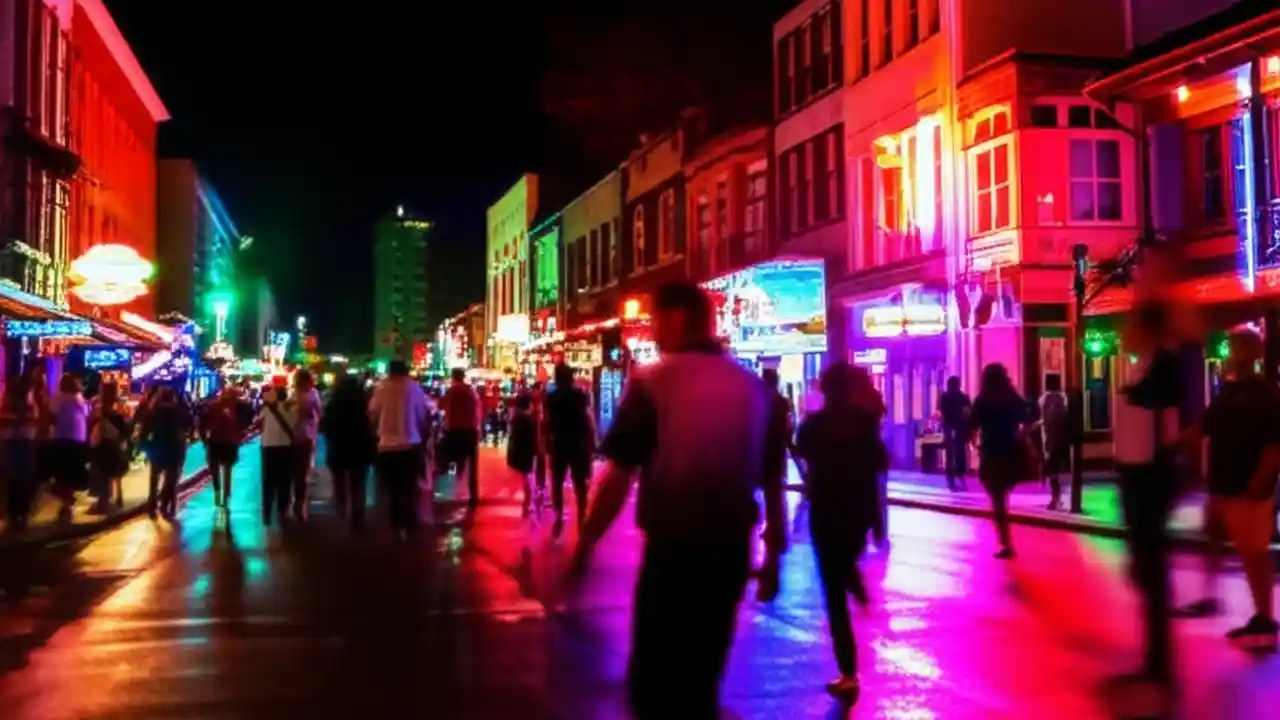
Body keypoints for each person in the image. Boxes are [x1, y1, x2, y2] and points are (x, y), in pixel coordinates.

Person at [571, 282, 787, 719]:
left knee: (654, 679)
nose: (650, 332)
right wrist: (774, 556)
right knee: (703, 675)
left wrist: (588, 538)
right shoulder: (754, 390)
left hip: (673, 551)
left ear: (676, 319)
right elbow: (773, 477)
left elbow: (619, 472)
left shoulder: (654, 382)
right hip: (730, 553)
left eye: (654, 320)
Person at [1174, 327, 1280, 648]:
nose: (1235, 354)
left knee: (1253, 553)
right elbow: (1201, 427)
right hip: (1222, 485)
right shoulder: (1228, 391)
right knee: (1214, 537)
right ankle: (1211, 596)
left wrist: (1260, 480)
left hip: (1244, 486)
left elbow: (1275, 445)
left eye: (1242, 347)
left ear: (1256, 353)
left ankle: (1264, 616)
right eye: (1234, 347)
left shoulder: (1264, 393)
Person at [794, 362, 887, 703]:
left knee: (833, 591)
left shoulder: (815, 425)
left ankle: (848, 671)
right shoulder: (865, 424)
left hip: (826, 508)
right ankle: (853, 577)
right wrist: (877, 521)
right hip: (858, 509)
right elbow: (879, 467)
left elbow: (801, 448)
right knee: (844, 558)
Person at [369, 360, 433, 541]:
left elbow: (372, 413)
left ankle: (397, 526)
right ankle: (411, 523)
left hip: (387, 447)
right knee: (409, 487)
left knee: (392, 490)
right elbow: (423, 415)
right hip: (410, 445)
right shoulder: (414, 389)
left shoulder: (381, 389)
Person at [969, 363, 1027, 559]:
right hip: (1010, 449)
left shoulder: (983, 398)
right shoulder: (1011, 396)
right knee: (1003, 490)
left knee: (997, 497)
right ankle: (1006, 538)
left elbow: (973, 422)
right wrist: (1021, 432)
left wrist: (972, 439)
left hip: (992, 450)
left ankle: (1005, 542)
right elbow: (1027, 413)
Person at [545, 363, 595, 537]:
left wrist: (546, 441)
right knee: (579, 481)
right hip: (577, 441)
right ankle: (581, 514)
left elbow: (548, 421)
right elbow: (586, 418)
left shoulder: (552, 397)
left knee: (557, 480)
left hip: (559, 442)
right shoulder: (580, 395)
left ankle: (559, 514)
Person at [323, 373, 377, 530]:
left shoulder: (333, 403)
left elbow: (326, 426)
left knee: (340, 484)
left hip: (338, 448)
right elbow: (368, 427)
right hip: (359, 449)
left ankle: (341, 513)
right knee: (358, 485)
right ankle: (357, 518)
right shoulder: (362, 403)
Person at [141, 387, 191, 519]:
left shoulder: (153, 411)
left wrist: (143, 444)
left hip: (157, 446)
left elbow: (145, 429)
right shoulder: (177, 411)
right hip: (174, 447)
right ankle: (165, 505)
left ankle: (152, 505)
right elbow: (188, 424)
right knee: (171, 479)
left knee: (154, 477)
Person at [0, 373, 39, 531]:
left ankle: (18, 514)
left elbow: (34, 418)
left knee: (19, 479)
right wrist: (19, 419)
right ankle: (17, 514)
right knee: (18, 479)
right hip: (17, 441)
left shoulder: (26, 401)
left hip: (20, 440)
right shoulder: (11, 401)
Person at [49, 373, 90, 520]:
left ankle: (66, 503)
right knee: (72, 472)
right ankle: (67, 503)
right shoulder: (79, 398)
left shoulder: (58, 397)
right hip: (78, 437)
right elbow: (86, 414)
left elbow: (52, 415)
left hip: (63, 436)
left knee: (63, 472)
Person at [440, 368, 482, 508]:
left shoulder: (452, 391)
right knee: (472, 465)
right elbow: (477, 410)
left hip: (455, 431)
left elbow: (444, 408)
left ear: (453, 377)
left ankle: (452, 483)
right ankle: (473, 495)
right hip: (470, 431)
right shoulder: (471, 391)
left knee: (451, 457)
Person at [88, 382, 130, 513]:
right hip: (112, 451)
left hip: (103, 451)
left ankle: (104, 498)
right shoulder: (116, 413)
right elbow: (123, 434)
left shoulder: (99, 411)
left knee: (101, 466)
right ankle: (108, 496)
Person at [200, 386, 244, 509]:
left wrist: (204, 439)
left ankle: (222, 494)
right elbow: (203, 423)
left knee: (221, 469)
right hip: (222, 442)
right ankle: (222, 494)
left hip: (222, 442)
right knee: (223, 469)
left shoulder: (233, 407)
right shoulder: (220, 407)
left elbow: (203, 423)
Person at [257, 385, 295, 526]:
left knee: (268, 481)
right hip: (285, 446)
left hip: (268, 446)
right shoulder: (290, 408)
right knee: (284, 480)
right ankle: (282, 510)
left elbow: (259, 425)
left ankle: (267, 512)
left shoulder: (267, 409)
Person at [290, 370, 323, 522]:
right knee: (297, 471)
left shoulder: (311, 394)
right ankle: (294, 500)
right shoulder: (294, 394)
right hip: (294, 436)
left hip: (305, 436)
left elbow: (319, 412)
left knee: (300, 472)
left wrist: (308, 413)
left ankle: (298, 500)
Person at [1038, 374, 1069, 511]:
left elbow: (1047, 419)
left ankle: (1055, 498)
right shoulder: (1063, 399)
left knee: (1051, 469)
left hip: (1050, 438)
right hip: (1060, 437)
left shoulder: (1046, 399)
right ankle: (1057, 497)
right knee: (1053, 467)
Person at [506, 393, 538, 516]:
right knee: (528, 478)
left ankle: (527, 502)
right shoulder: (526, 419)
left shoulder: (516, 417)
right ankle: (528, 503)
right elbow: (530, 437)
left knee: (526, 478)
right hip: (525, 452)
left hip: (518, 452)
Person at [939, 376, 971, 491]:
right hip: (960, 427)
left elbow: (942, 411)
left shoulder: (944, 397)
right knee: (960, 452)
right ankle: (960, 475)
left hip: (948, 426)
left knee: (949, 453)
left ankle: (950, 477)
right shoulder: (963, 397)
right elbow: (967, 412)